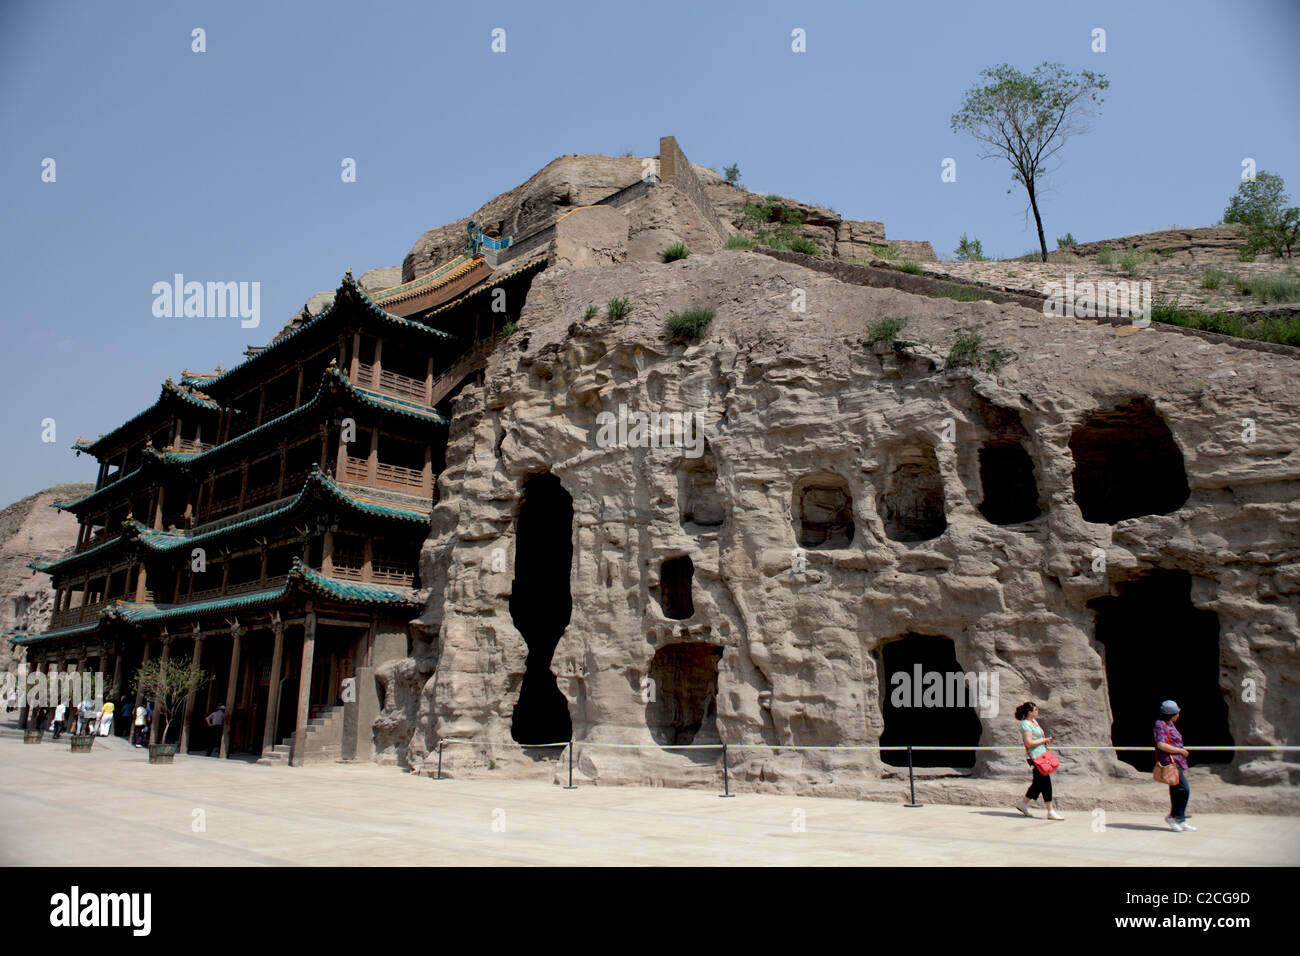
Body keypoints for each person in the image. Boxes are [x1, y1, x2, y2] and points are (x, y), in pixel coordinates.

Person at [1014, 701, 1064, 820]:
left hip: (1042, 755)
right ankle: (1050, 811)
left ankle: (1023, 804)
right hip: (1035, 757)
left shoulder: (1034, 722)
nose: (1037, 712)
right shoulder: (1026, 724)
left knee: (1038, 783)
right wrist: (1044, 740)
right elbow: (1029, 743)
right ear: (1029, 712)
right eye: (1035, 710)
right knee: (1045, 782)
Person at [1155, 700, 1194, 831]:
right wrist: (1181, 751)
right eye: (1177, 712)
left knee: (1177, 791)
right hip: (1170, 763)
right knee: (1184, 790)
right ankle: (1173, 817)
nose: (1178, 714)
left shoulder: (1170, 724)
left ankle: (1180, 819)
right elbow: (1161, 744)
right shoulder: (1160, 725)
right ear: (1171, 714)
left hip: (1178, 762)